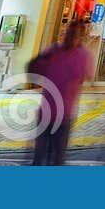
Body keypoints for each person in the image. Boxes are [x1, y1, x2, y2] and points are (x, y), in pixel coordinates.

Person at [29, 20, 93, 165]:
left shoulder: (84, 56)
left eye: (73, 34)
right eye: (67, 33)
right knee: (39, 156)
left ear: (80, 37)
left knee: (58, 157)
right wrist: (41, 59)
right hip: (46, 112)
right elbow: (32, 69)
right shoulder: (53, 50)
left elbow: (85, 77)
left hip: (65, 114)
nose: (68, 37)